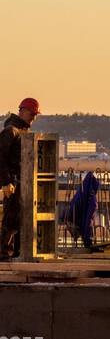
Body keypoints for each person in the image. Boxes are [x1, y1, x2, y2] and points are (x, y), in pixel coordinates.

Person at [0, 98, 40, 260]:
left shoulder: (23, 132)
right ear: (22, 111)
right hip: (13, 182)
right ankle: (4, 253)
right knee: (11, 218)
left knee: (20, 218)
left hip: (23, 182)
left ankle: (16, 252)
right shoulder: (10, 132)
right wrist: (5, 182)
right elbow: (0, 157)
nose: (33, 118)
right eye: (32, 114)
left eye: (35, 115)